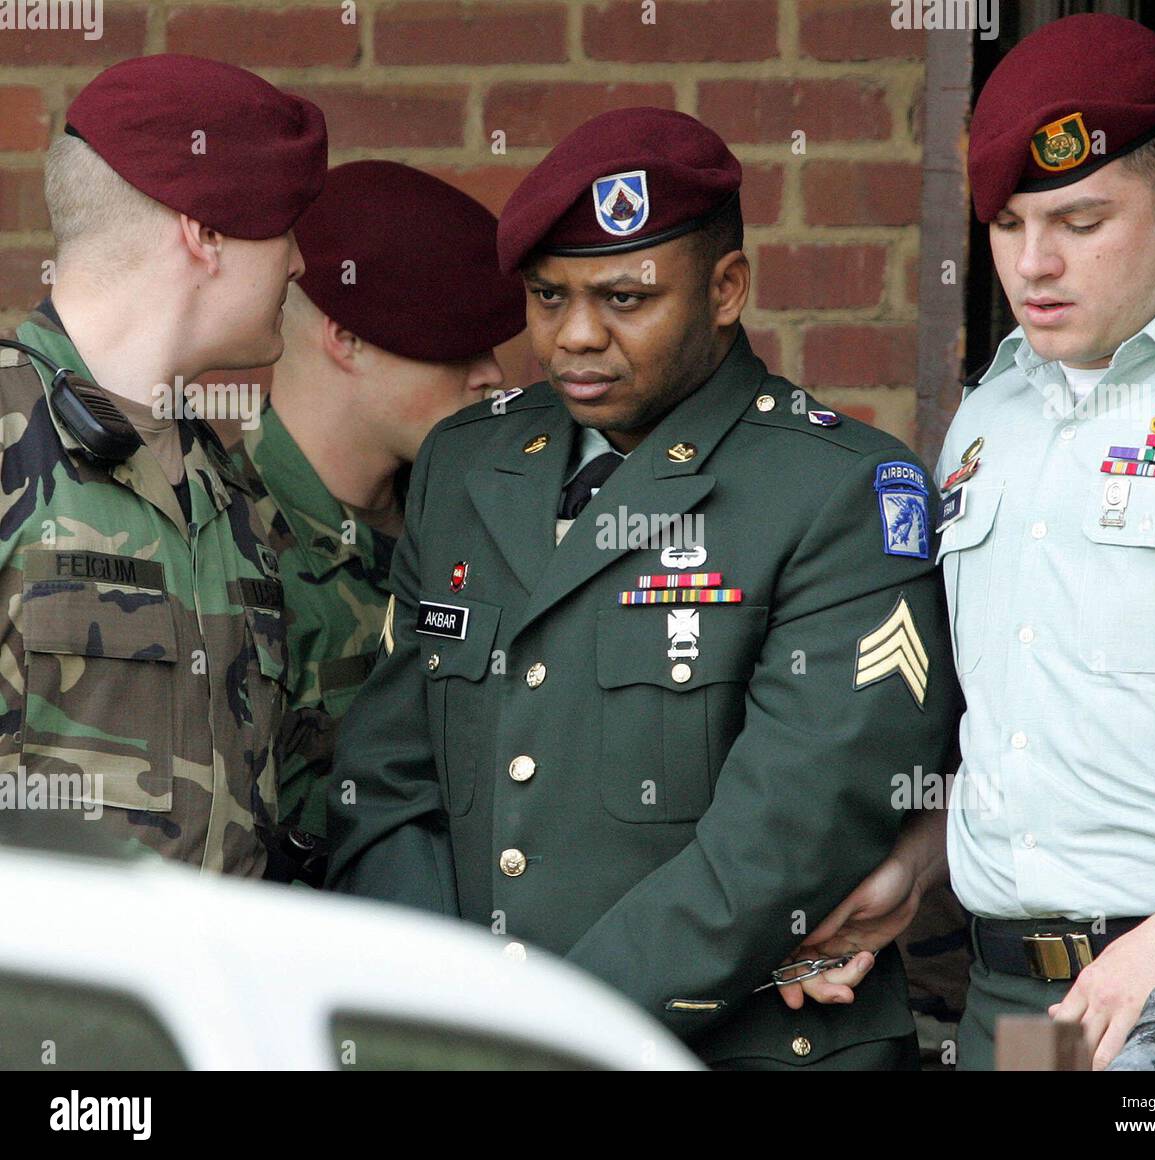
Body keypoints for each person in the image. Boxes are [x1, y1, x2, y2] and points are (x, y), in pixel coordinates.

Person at [325, 107, 961, 1069]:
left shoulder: (842, 492)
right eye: (548, 298)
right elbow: (386, 783)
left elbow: (782, 844)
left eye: (626, 299)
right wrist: (435, 1013)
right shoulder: (467, 462)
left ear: (726, 289)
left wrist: (539, 1038)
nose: (575, 337)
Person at [782, 12, 1155, 1070]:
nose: (1034, 263)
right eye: (1008, 224)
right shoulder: (994, 408)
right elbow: (1025, 718)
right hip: (1016, 1001)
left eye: (1077, 219)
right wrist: (918, 863)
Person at [0, 54, 327, 875]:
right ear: (204, 232)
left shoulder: (234, 496)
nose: (298, 265)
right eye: (284, 226)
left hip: (200, 996)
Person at [231, 161, 525, 885]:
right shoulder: (221, 543)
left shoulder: (476, 533)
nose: (490, 374)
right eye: (450, 343)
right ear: (345, 337)